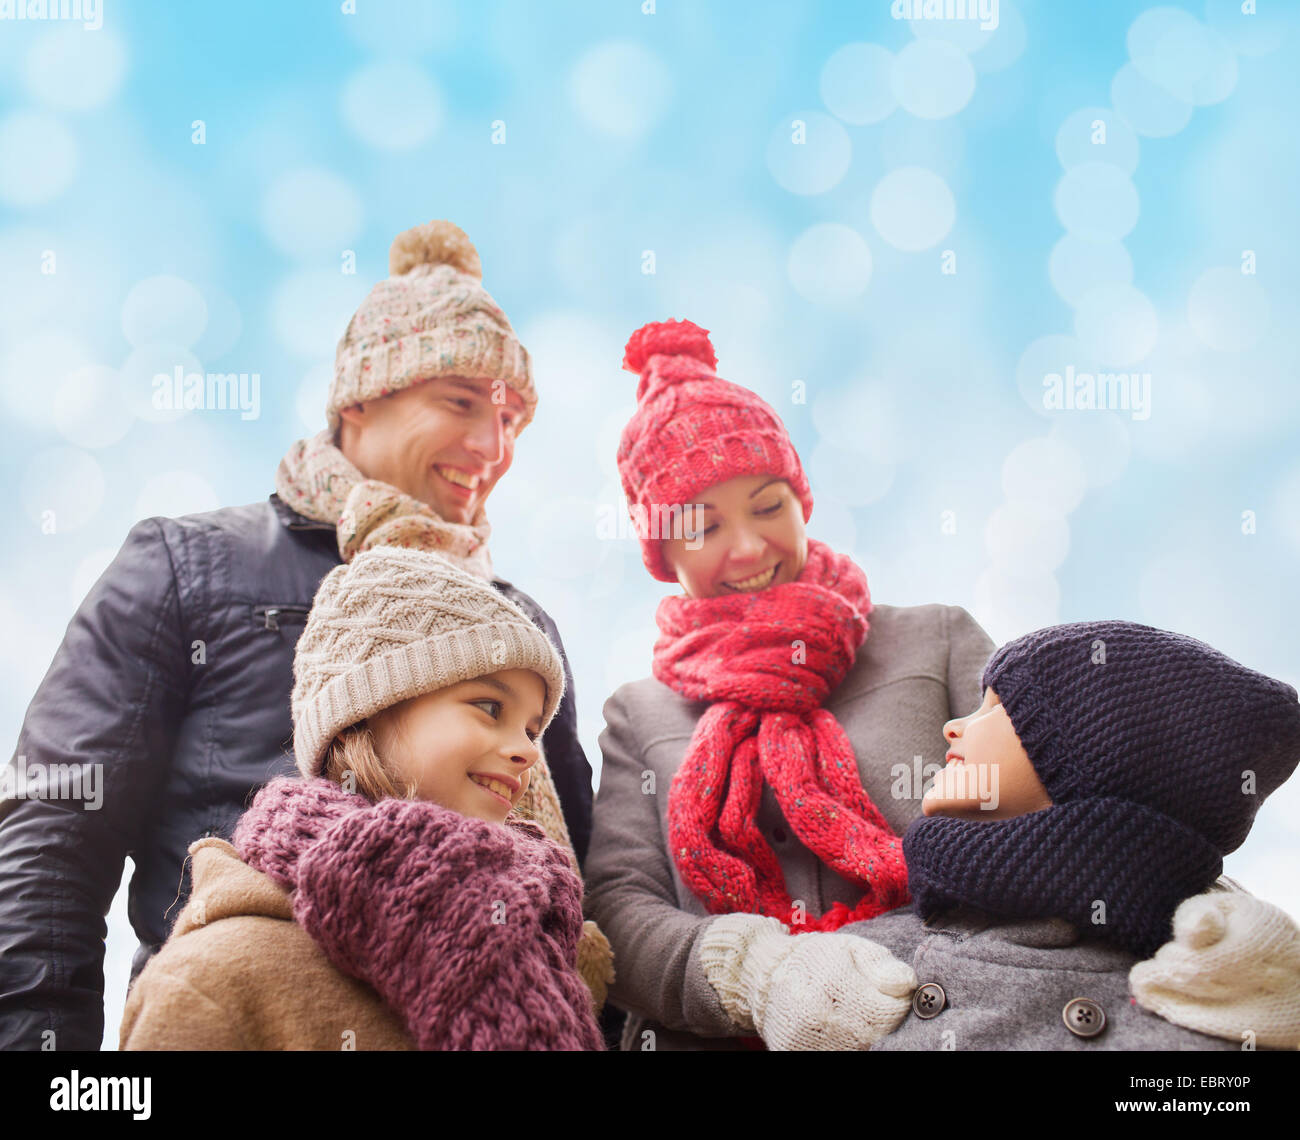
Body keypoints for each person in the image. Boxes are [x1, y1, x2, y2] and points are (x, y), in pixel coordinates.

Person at [0, 220, 594, 1051]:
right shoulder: (189, 566)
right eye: (460, 403)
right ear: (360, 398)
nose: (490, 447)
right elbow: (54, 842)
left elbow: (583, 891)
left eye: (510, 422)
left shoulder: (522, 627)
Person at [583, 318, 997, 1050]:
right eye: (703, 527)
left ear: (801, 500)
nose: (746, 547)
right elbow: (618, 908)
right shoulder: (640, 715)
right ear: (661, 549)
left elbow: (1048, 808)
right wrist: (758, 977)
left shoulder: (936, 641)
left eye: (768, 507)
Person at [700, 620, 1300, 1050]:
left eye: (995, 709)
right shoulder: (870, 962)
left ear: (1098, 758)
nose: (954, 725)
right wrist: (766, 973)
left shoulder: (1213, 984)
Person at [120, 546, 609, 1050]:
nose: (527, 752)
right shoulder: (213, 979)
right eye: (489, 707)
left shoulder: (533, 937)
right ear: (368, 711)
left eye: (532, 730)